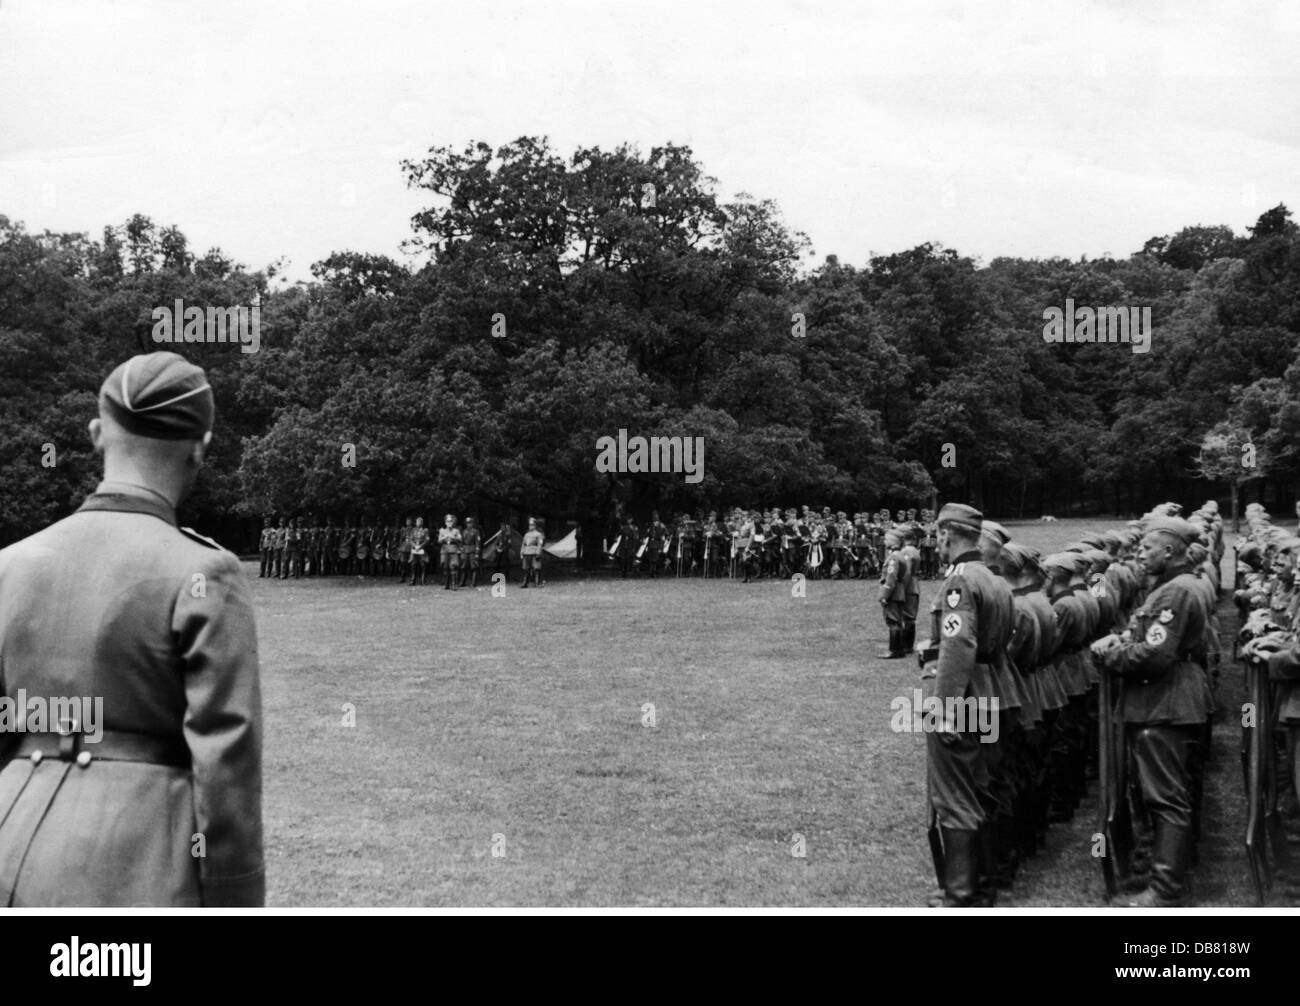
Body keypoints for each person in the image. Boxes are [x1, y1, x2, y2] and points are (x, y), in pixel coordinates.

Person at [0, 351, 263, 906]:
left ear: (98, 433)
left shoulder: (12, 563)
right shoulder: (205, 572)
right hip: (138, 859)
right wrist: (235, 897)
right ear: (202, 446)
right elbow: (224, 768)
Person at [1092, 517, 1213, 907]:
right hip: (1165, 700)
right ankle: (1164, 871)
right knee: (1163, 795)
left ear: (1169, 551)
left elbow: (1156, 656)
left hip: (1164, 703)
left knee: (1166, 798)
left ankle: (1164, 889)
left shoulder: (1175, 592)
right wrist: (1125, 638)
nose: (1139, 554)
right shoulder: (1171, 587)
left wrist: (1113, 654)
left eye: (1147, 548)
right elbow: (1147, 637)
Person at [921, 503, 1011, 907]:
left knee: (954, 794)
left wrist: (943, 708)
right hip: (992, 691)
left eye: (936, 535)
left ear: (946, 535)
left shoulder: (959, 582)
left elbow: (959, 647)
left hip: (965, 696)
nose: (934, 542)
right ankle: (985, 883)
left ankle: (959, 892)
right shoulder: (993, 578)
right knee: (981, 790)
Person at [438, 514, 462, 590]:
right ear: (445, 522)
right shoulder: (442, 530)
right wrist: (444, 537)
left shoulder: (456, 530)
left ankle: (454, 584)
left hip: (453, 549)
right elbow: (438, 541)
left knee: (453, 566)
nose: (449, 523)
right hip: (444, 549)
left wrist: (453, 537)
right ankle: (446, 584)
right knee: (445, 567)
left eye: (451, 521)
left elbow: (460, 539)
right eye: (448, 521)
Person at [521, 518, 544, 588]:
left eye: (532, 525)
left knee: (536, 568)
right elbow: (523, 544)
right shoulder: (526, 534)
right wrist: (521, 552)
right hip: (526, 553)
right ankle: (525, 583)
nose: (530, 526)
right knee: (526, 569)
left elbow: (540, 544)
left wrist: (538, 553)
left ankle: (537, 583)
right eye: (529, 525)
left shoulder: (538, 534)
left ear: (535, 525)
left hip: (534, 553)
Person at [460, 517, 481, 588]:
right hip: (465, 550)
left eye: (470, 523)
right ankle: (463, 582)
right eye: (467, 523)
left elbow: (478, 542)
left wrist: (477, 553)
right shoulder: (463, 531)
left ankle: (473, 583)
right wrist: (461, 550)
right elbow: (461, 542)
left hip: (472, 550)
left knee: (474, 567)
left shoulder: (476, 531)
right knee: (463, 567)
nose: (469, 524)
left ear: (472, 523)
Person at [408, 517, 430, 586]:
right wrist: (414, 546)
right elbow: (410, 539)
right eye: (417, 522)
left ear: (422, 523)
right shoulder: (413, 530)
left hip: (422, 549)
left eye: (420, 522)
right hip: (414, 549)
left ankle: (423, 580)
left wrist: (420, 546)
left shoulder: (425, 530)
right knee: (413, 564)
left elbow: (427, 540)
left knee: (423, 565)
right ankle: (412, 580)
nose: (418, 523)